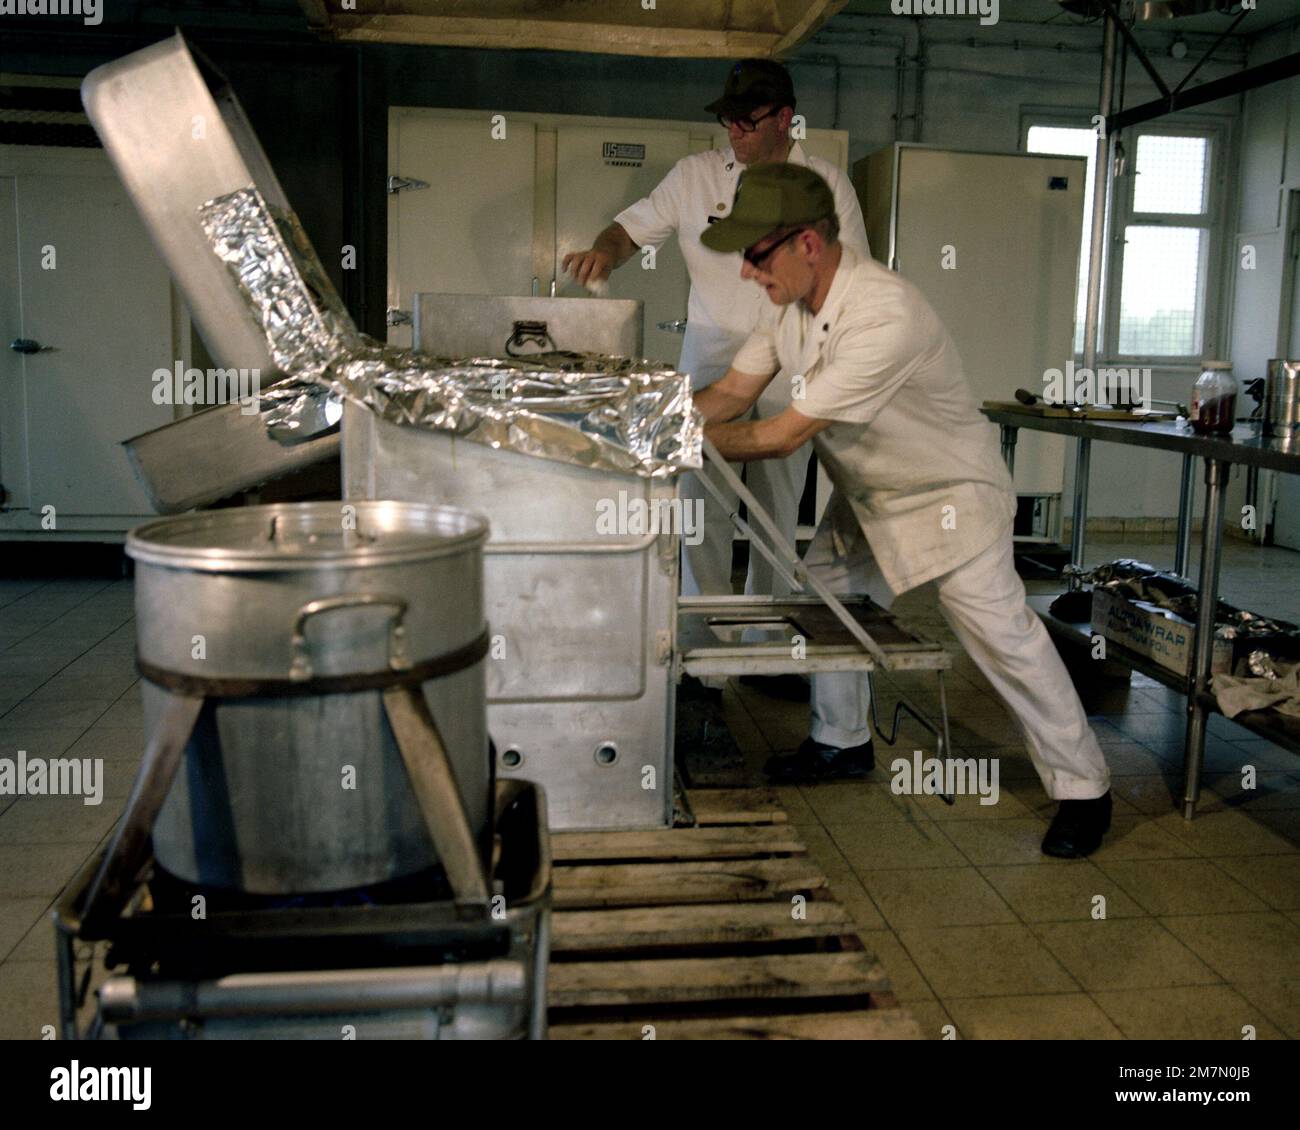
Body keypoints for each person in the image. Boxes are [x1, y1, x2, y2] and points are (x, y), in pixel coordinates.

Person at [694, 162, 1112, 858]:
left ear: (808, 244)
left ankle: (1085, 790)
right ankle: (842, 743)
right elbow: (733, 397)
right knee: (825, 601)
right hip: (872, 495)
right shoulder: (786, 307)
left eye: (756, 254)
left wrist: (670, 442)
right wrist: (654, 418)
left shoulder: (884, 312)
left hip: (949, 494)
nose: (745, 272)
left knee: (1002, 640)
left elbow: (776, 436)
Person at [562, 60, 870, 694]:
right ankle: (706, 653)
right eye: (728, 120)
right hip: (711, 357)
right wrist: (605, 253)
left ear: (786, 118)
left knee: (778, 509)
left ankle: (765, 647)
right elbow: (628, 229)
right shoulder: (696, 176)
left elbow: (851, 279)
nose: (734, 132)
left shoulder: (827, 184)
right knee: (699, 504)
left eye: (748, 121)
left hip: (794, 358)